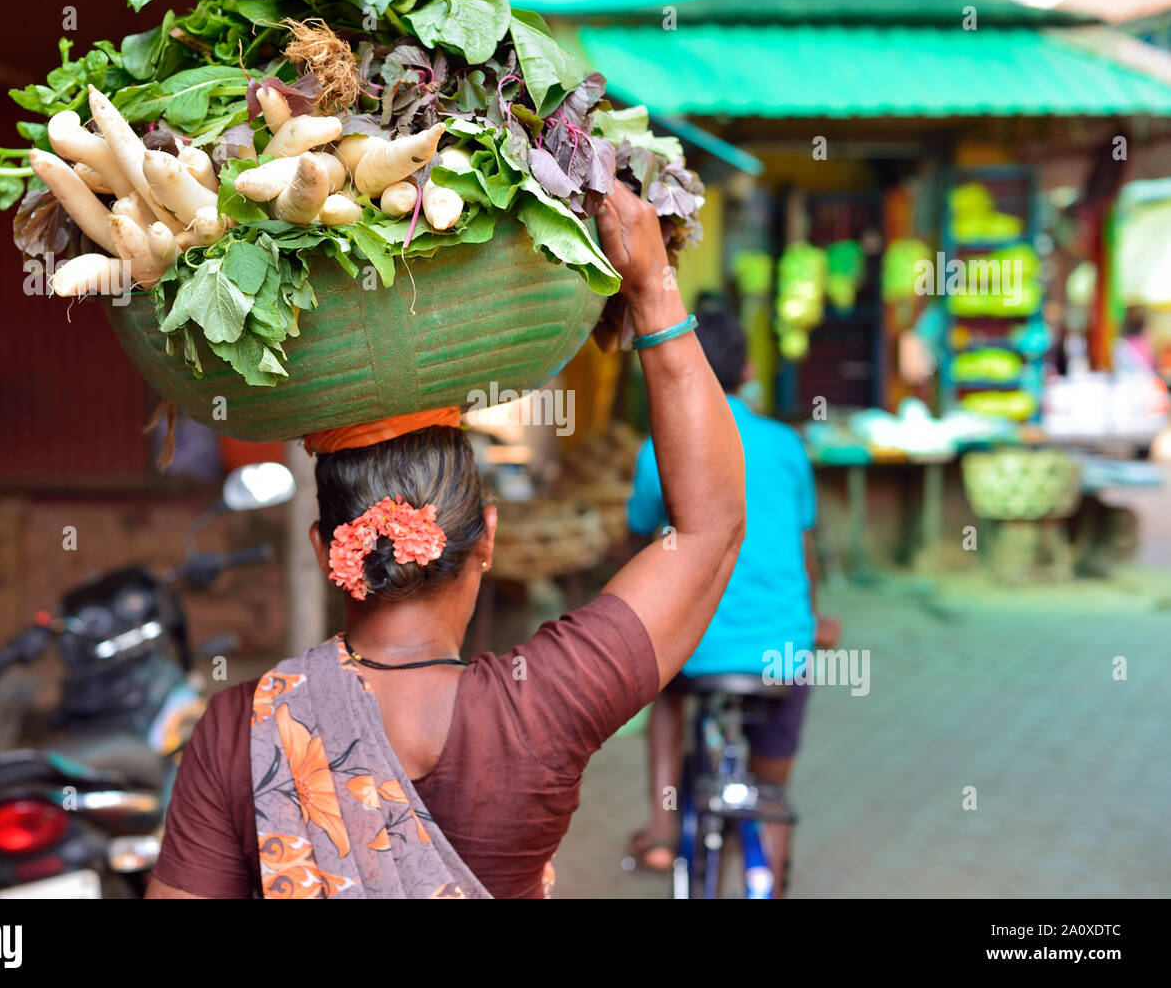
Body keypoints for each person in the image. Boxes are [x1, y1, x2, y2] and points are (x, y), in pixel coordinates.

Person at [145, 182, 747, 899]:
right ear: (486, 536)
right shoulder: (542, 706)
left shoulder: (235, 734)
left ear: (324, 549)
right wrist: (653, 289)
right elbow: (712, 527)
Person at [625, 309, 839, 897]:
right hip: (781, 650)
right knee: (772, 788)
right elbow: (803, 555)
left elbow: (638, 532)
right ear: (747, 371)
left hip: (695, 649)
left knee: (665, 692)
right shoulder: (786, 444)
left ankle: (664, 824)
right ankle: (769, 845)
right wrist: (811, 621)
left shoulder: (659, 445)